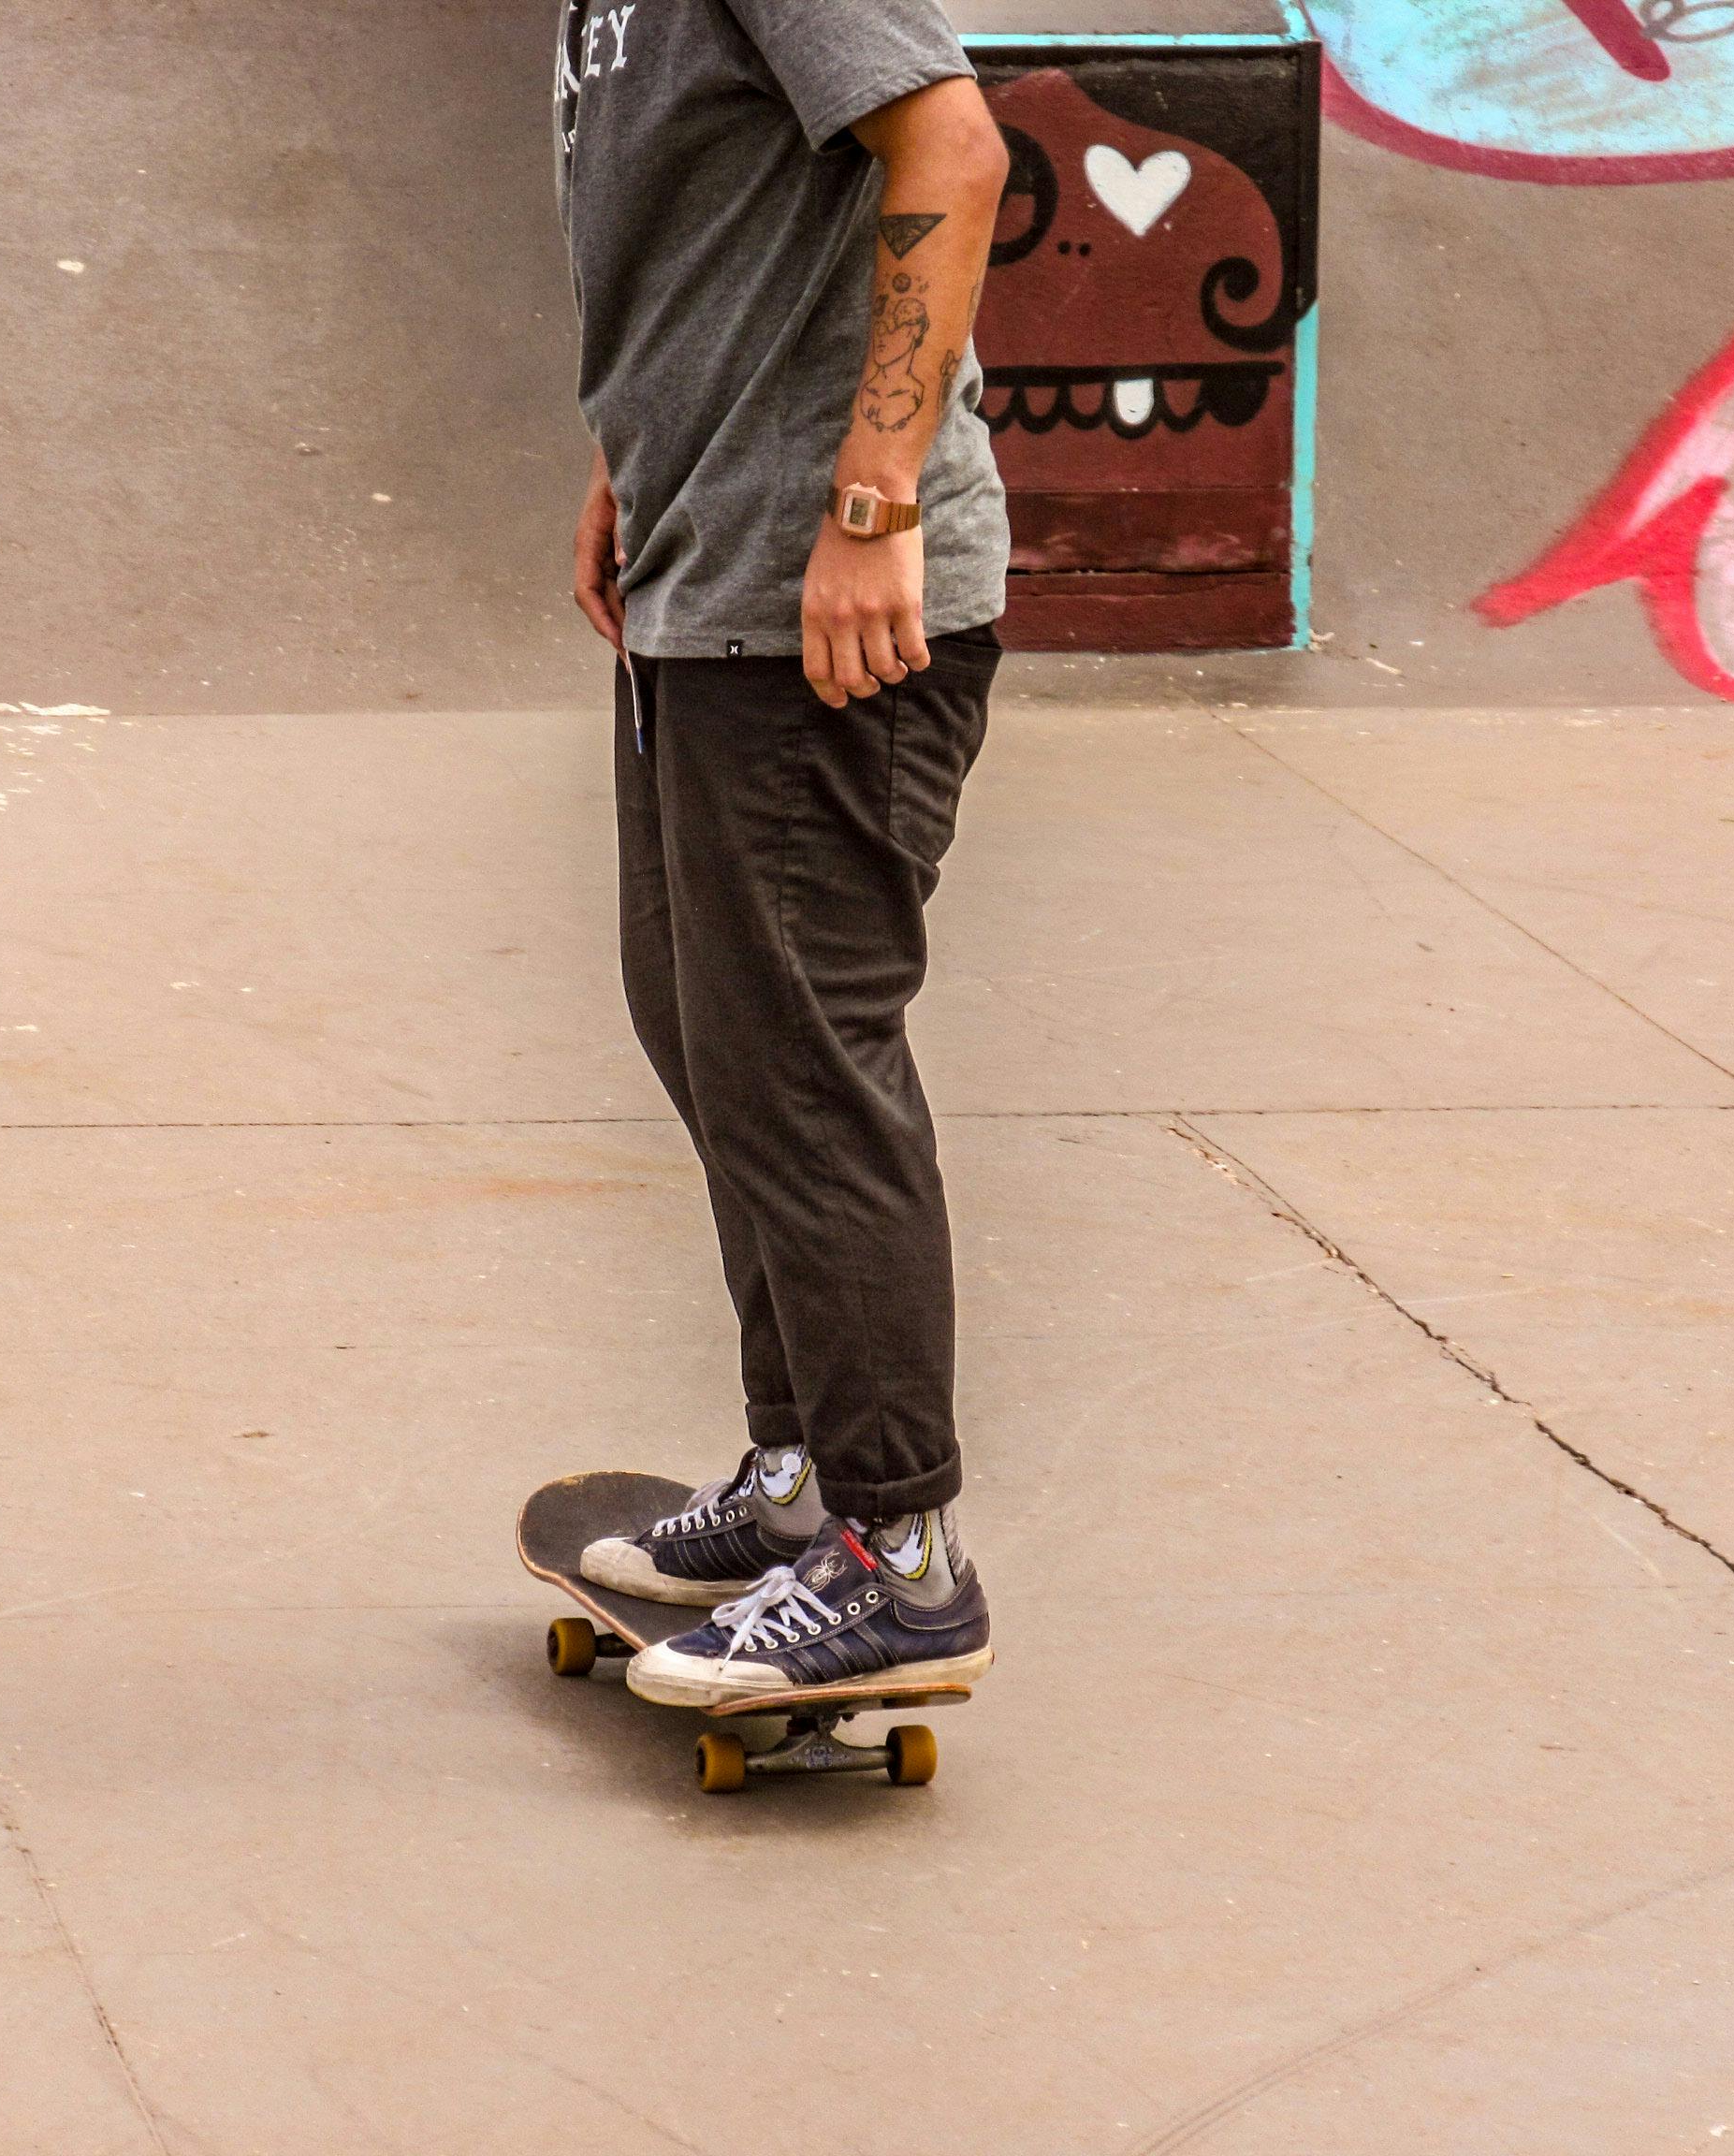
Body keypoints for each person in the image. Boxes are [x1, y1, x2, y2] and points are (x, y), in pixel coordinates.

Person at [553, 0, 1013, 1707]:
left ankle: (903, 1551)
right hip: (706, 563)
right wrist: (630, 452)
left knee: (805, 1066)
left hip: (823, 605)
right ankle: (810, 1476)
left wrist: (873, 504)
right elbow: (718, 221)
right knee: (713, 1035)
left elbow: (949, 148)